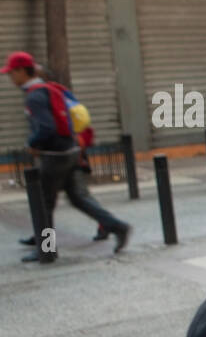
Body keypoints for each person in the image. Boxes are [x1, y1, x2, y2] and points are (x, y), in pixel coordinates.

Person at [4, 51, 130, 262]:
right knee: (78, 198)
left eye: (11, 73)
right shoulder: (46, 88)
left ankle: (46, 249)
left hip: (55, 155)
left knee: (44, 202)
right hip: (70, 151)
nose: (10, 77)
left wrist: (32, 144)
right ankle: (117, 226)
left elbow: (46, 128)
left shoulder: (34, 96)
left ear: (21, 71)